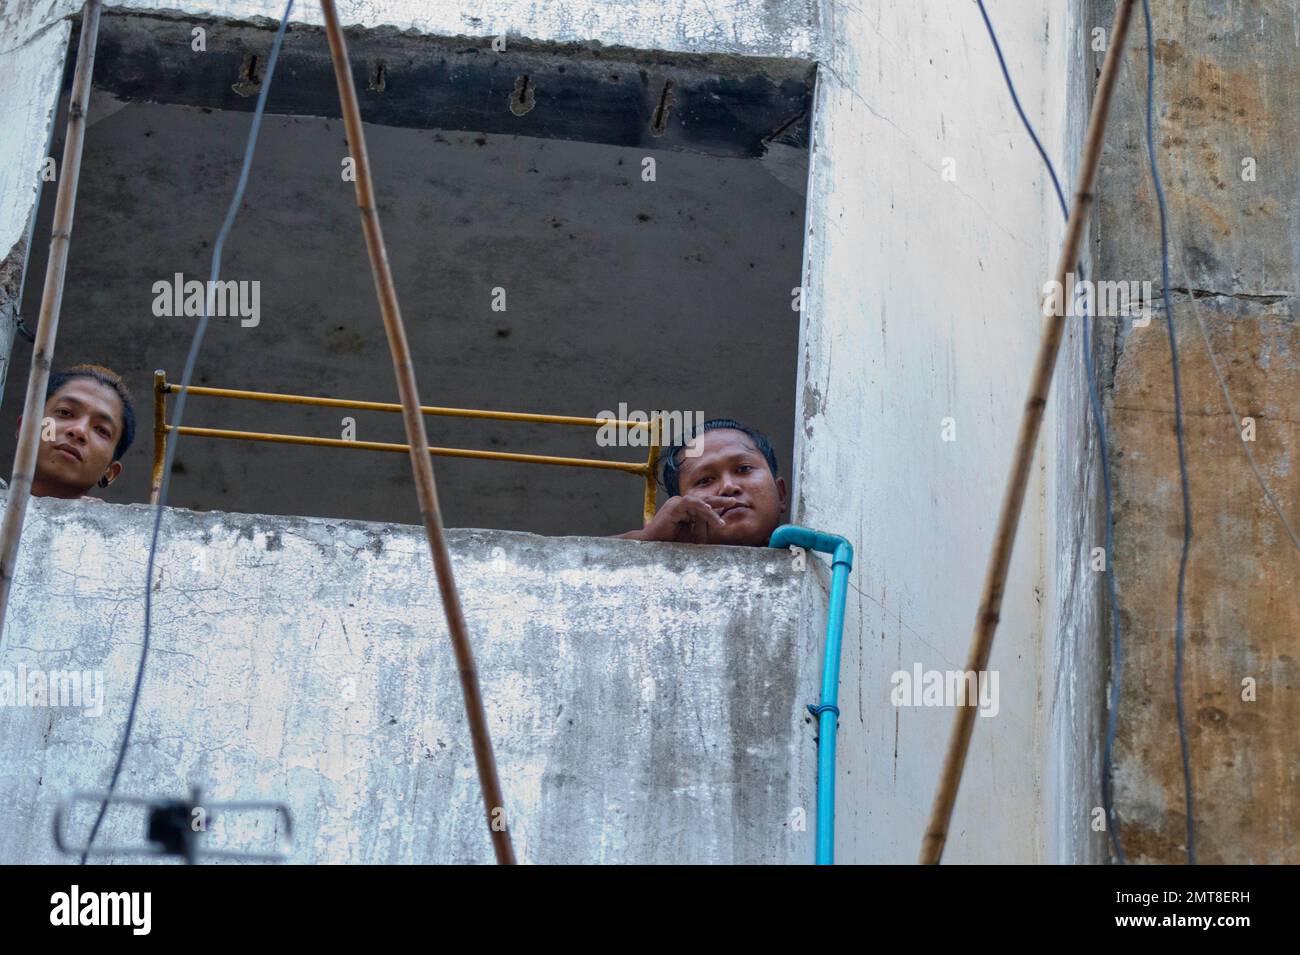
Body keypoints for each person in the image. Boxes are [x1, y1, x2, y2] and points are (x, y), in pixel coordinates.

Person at [617, 418, 787, 547]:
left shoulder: (808, 553)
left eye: (744, 469)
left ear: (781, 494)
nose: (728, 486)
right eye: (705, 480)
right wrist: (649, 540)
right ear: (681, 508)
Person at [16, 364, 136, 500]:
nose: (79, 430)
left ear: (109, 471)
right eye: (64, 412)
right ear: (25, 430)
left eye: (101, 430)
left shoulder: (111, 522)